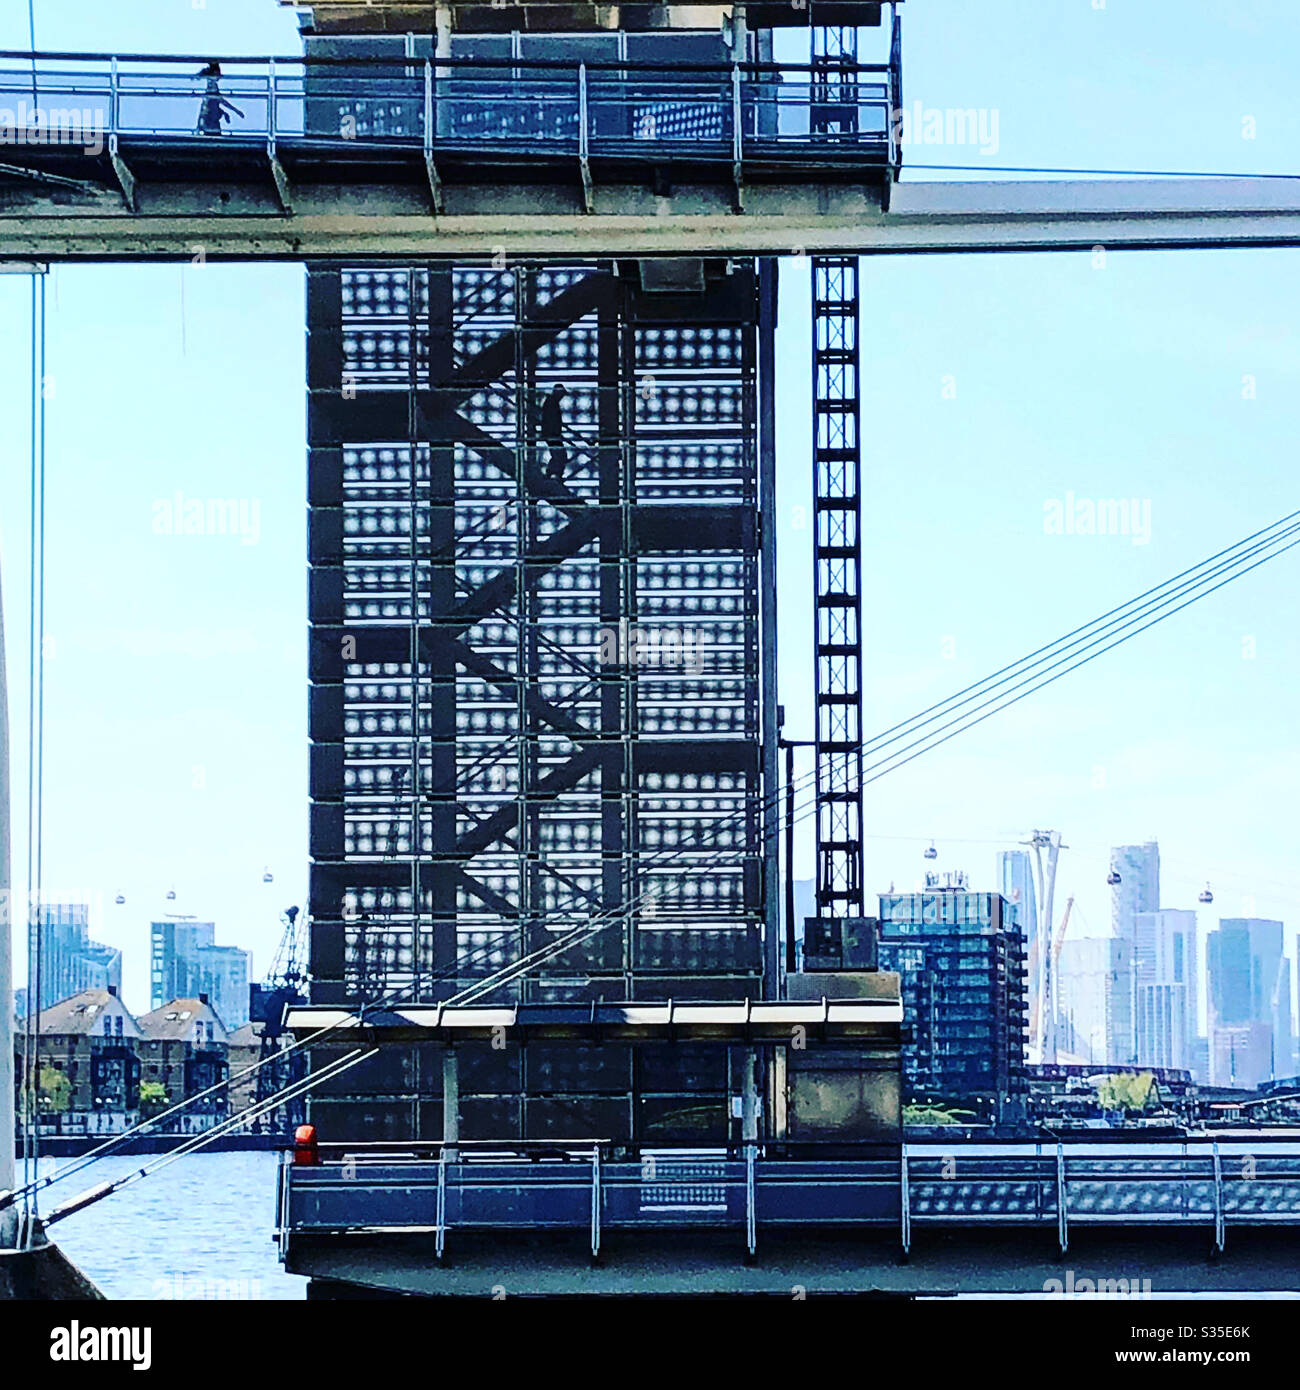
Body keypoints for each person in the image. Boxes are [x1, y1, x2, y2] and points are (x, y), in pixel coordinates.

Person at [196, 62, 245, 136]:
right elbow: (219, 101)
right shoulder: (212, 86)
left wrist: (223, 113)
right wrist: (236, 111)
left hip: (210, 121)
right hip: (210, 123)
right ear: (215, 73)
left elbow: (213, 104)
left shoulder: (211, 85)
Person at [539, 382, 571, 482]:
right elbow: (551, 420)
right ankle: (554, 475)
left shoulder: (550, 402)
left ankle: (553, 474)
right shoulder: (552, 403)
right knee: (560, 455)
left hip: (552, 434)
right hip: (552, 434)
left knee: (559, 455)